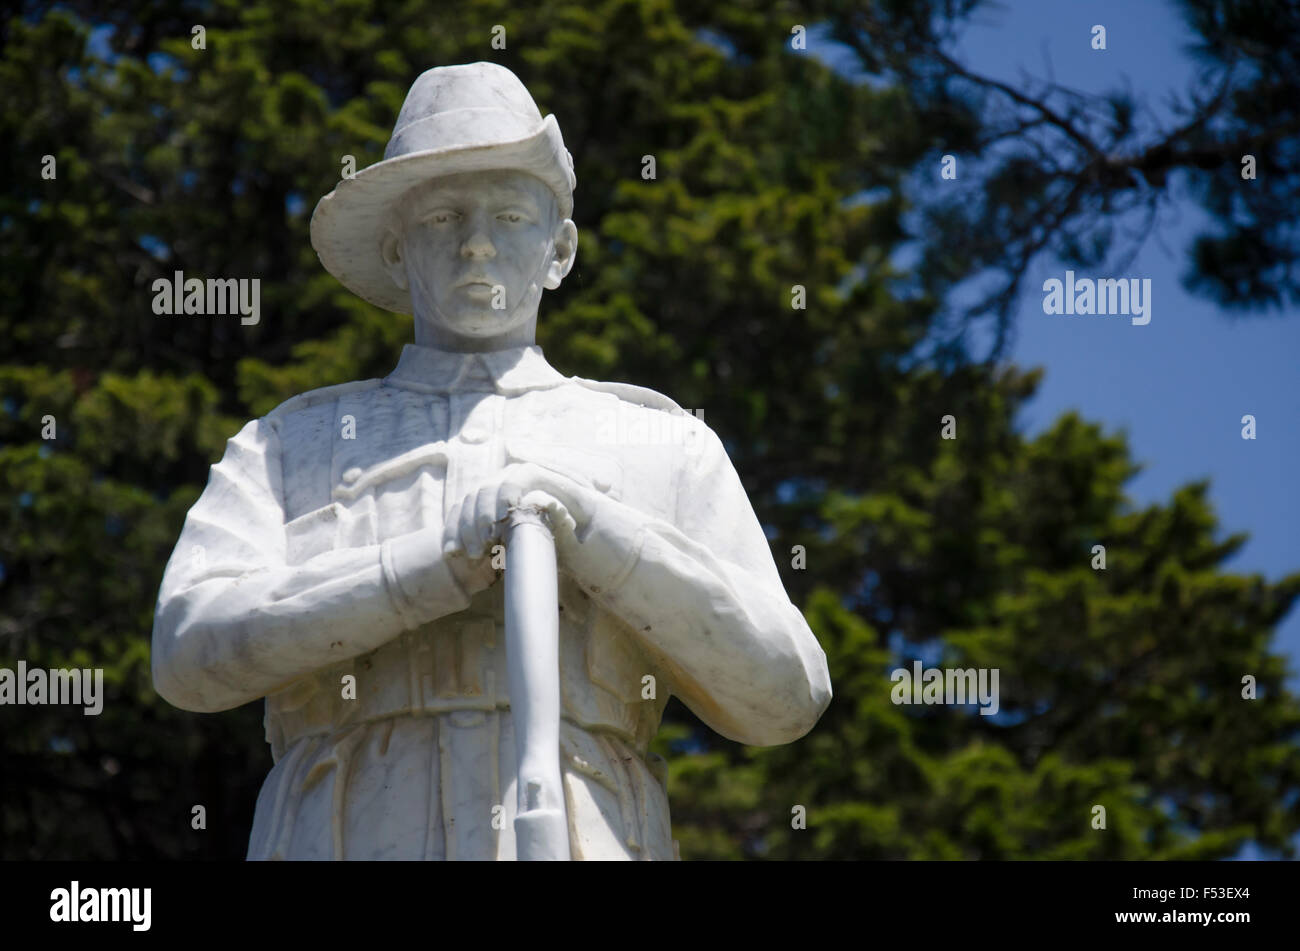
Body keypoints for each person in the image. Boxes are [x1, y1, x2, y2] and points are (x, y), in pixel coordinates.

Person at [151, 62, 832, 860]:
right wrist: (422, 571)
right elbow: (187, 653)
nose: (477, 243)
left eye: (510, 214)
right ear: (398, 251)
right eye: (442, 217)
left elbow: (786, 693)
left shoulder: (663, 444)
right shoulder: (289, 444)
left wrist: (600, 536)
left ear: (560, 249)